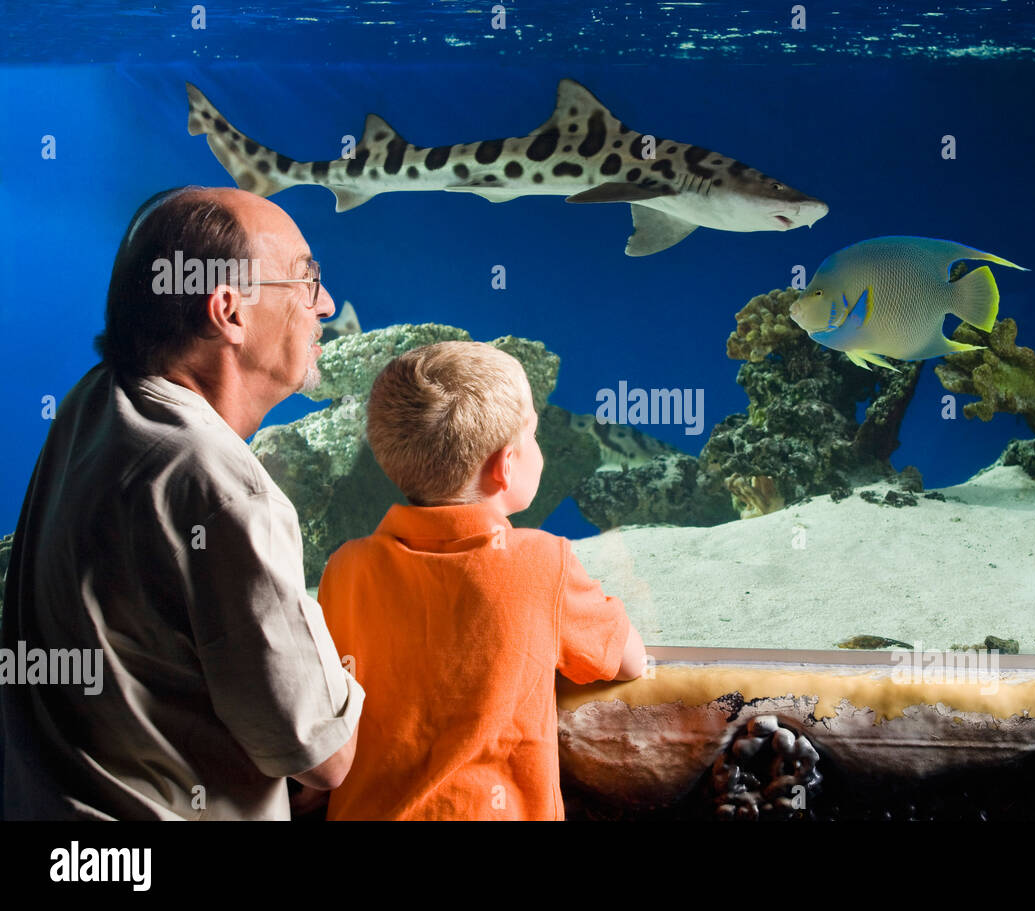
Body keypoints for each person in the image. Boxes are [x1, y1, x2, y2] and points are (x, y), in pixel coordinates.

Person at [0, 186, 364, 819]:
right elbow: (324, 759)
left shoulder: (96, 402)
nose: (325, 307)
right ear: (228, 312)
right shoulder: (222, 488)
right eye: (307, 282)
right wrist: (350, 669)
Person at [316, 341, 646, 820]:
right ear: (506, 465)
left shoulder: (344, 569)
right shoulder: (542, 561)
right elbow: (630, 660)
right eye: (533, 433)